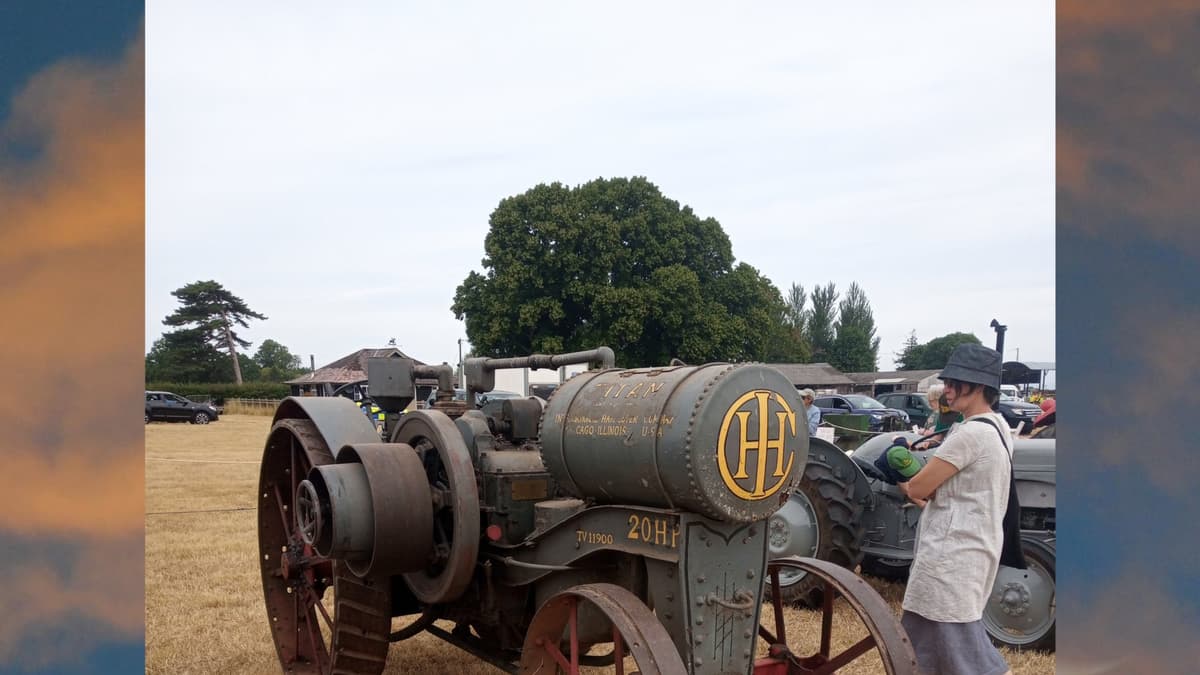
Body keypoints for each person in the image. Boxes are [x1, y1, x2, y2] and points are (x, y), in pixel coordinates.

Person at [896, 344, 1014, 675]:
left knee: (962, 652)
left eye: (954, 382)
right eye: (947, 381)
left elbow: (918, 488)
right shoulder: (999, 427)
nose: (947, 388)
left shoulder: (971, 434)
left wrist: (901, 474)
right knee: (923, 644)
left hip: (952, 555)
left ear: (978, 386)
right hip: (974, 545)